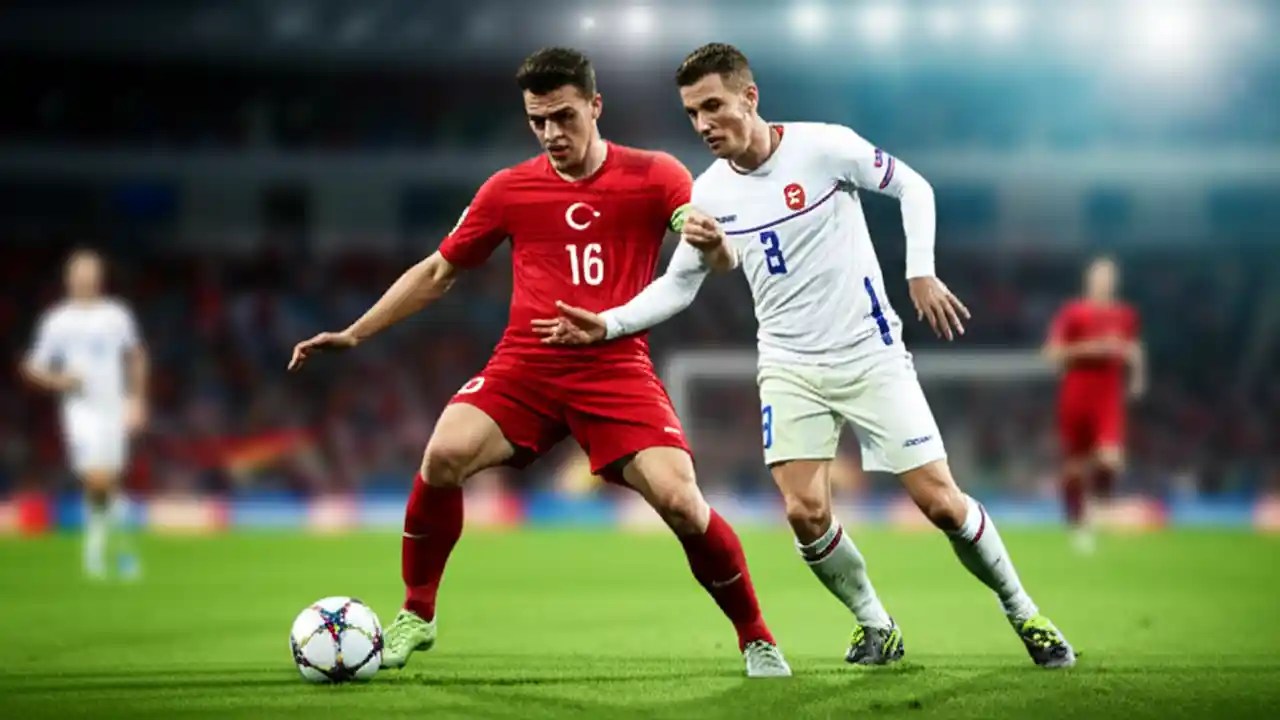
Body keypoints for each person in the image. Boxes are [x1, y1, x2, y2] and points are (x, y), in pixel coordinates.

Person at [533, 43, 1074, 668]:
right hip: (788, 365)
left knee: (941, 503)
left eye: (713, 106)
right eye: (691, 113)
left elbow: (914, 188)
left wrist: (920, 271)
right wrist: (606, 324)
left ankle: (1023, 611)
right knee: (805, 511)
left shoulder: (823, 148)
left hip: (870, 353)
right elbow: (679, 285)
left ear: (749, 97)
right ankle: (876, 623)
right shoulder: (706, 193)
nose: (704, 123)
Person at [288, 47, 789, 678]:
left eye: (564, 116)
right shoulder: (508, 189)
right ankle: (417, 614)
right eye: (538, 121)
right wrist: (356, 334)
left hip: (615, 368)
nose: (552, 133)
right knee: (442, 456)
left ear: (594, 107)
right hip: (526, 365)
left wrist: (712, 242)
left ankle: (757, 637)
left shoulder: (657, 175)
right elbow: (440, 271)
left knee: (683, 503)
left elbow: (708, 253)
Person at [21, 249, 148, 580]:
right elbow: (32, 366)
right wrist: (60, 379)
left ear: (99, 277)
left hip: (114, 404)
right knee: (96, 478)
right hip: (79, 409)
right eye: (80, 272)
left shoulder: (115, 315)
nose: (86, 278)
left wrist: (136, 399)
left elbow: (135, 355)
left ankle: (105, 550)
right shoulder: (58, 320)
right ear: (69, 277)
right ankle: (114, 546)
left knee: (106, 483)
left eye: (92, 272)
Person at [1044, 256, 1144, 554]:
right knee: (1074, 468)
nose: (1104, 282)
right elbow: (1052, 353)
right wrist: (1094, 348)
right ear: (1089, 280)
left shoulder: (1125, 315)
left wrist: (1137, 377)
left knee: (1111, 459)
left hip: (1108, 396)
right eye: (1099, 277)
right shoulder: (1074, 313)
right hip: (1077, 392)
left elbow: (1133, 348)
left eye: (1109, 277)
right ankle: (1077, 522)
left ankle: (1096, 508)